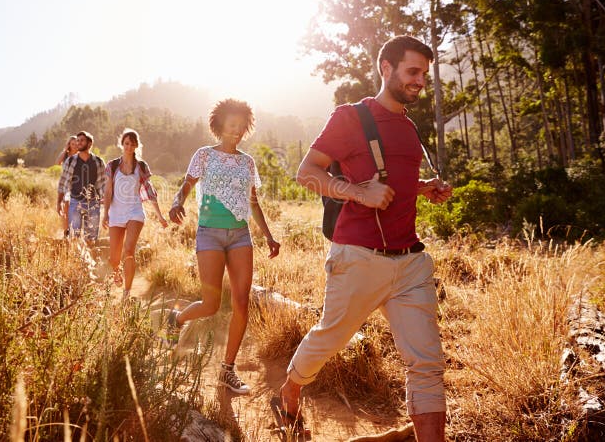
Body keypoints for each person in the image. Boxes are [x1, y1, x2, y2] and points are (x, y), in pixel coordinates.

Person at [275, 35, 453, 441]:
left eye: (424, 74)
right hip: (358, 258)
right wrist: (357, 192)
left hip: (411, 262)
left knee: (427, 365)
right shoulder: (350, 118)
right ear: (386, 69)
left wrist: (424, 187)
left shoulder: (409, 127)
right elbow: (307, 172)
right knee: (329, 337)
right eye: (412, 72)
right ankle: (290, 388)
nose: (420, 81)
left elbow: (392, 180)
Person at [168, 98, 281, 395]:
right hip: (210, 235)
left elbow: (253, 202)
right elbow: (187, 185)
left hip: (240, 235)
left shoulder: (247, 162)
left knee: (241, 302)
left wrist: (268, 235)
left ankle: (226, 370)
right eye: (232, 126)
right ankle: (176, 318)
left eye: (242, 128)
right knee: (211, 304)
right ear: (219, 126)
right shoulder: (204, 155)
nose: (237, 132)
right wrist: (177, 202)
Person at [102, 128, 168, 299]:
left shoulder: (141, 166)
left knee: (129, 250)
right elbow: (108, 192)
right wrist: (105, 214)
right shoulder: (112, 166)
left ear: (136, 146)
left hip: (135, 212)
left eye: (132, 144)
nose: (129, 147)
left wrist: (160, 216)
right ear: (121, 144)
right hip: (116, 213)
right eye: (126, 143)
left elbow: (150, 191)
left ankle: (126, 292)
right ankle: (117, 272)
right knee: (114, 258)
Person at [57, 131, 106, 243]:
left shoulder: (98, 162)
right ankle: (75, 260)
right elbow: (62, 182)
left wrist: (104, 200)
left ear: (89, 144)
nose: (78, 143)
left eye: (82, 140)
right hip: (75, 203)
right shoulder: (70, 161)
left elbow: (103, 183)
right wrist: (59, 202)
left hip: (93, 204)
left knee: (91, 239)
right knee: (74, 237)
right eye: (77, 140)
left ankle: (89, 259)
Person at [56, 135, 80, 238]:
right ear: (69, 145)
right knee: (65, 207)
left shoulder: (80, 156)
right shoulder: (66, 155)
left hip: (76, 184)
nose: (74, 146)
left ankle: (75, 232)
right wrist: (65, 150)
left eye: (76, 144)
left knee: (75, 209)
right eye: (72, 144)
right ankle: (66, 232)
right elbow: (57, 162)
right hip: (65, 183)